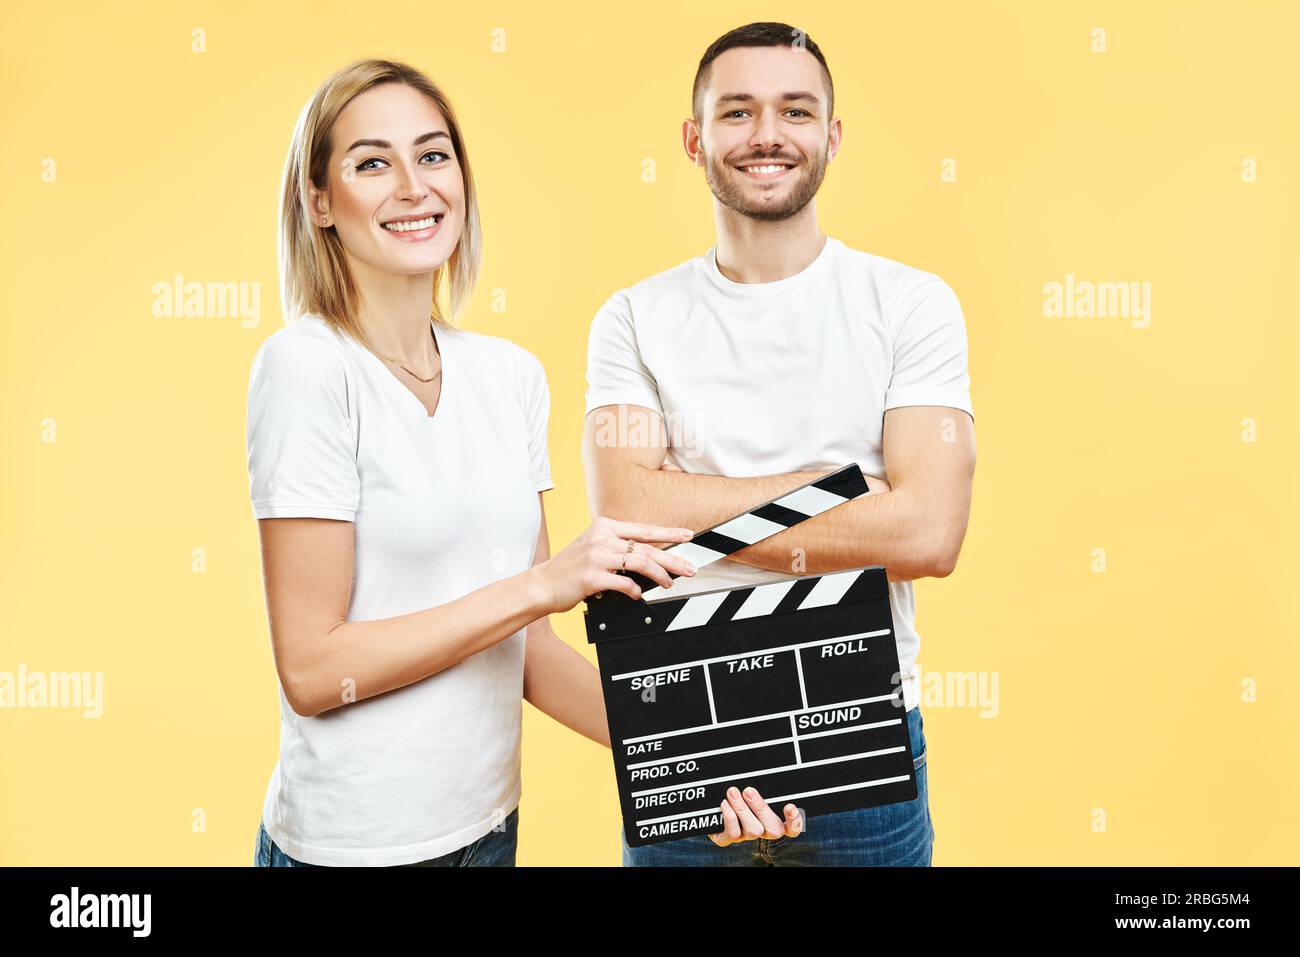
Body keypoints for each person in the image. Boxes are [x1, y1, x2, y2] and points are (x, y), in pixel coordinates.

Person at [247, 58, 793, 867]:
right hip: (351, 849)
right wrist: (543, 583)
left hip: (488, 833)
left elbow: (527, 648)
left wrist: (694, 767)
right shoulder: (306, 370)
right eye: (372, 162)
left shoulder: (508, 376)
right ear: (320, 200)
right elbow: (316, 668)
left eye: (433, 155)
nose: (412, 185)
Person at [583, 22, 976, 866]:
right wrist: (848, 489)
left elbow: (928, 534)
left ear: (831, 136)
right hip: (686, 724)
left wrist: (693, 509)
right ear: (694, 141)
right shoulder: (633, 317)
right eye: (737, 112)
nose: (768, 134)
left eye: (795, 110)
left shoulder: (911, 303)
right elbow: (626, 508)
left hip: (863, 725)